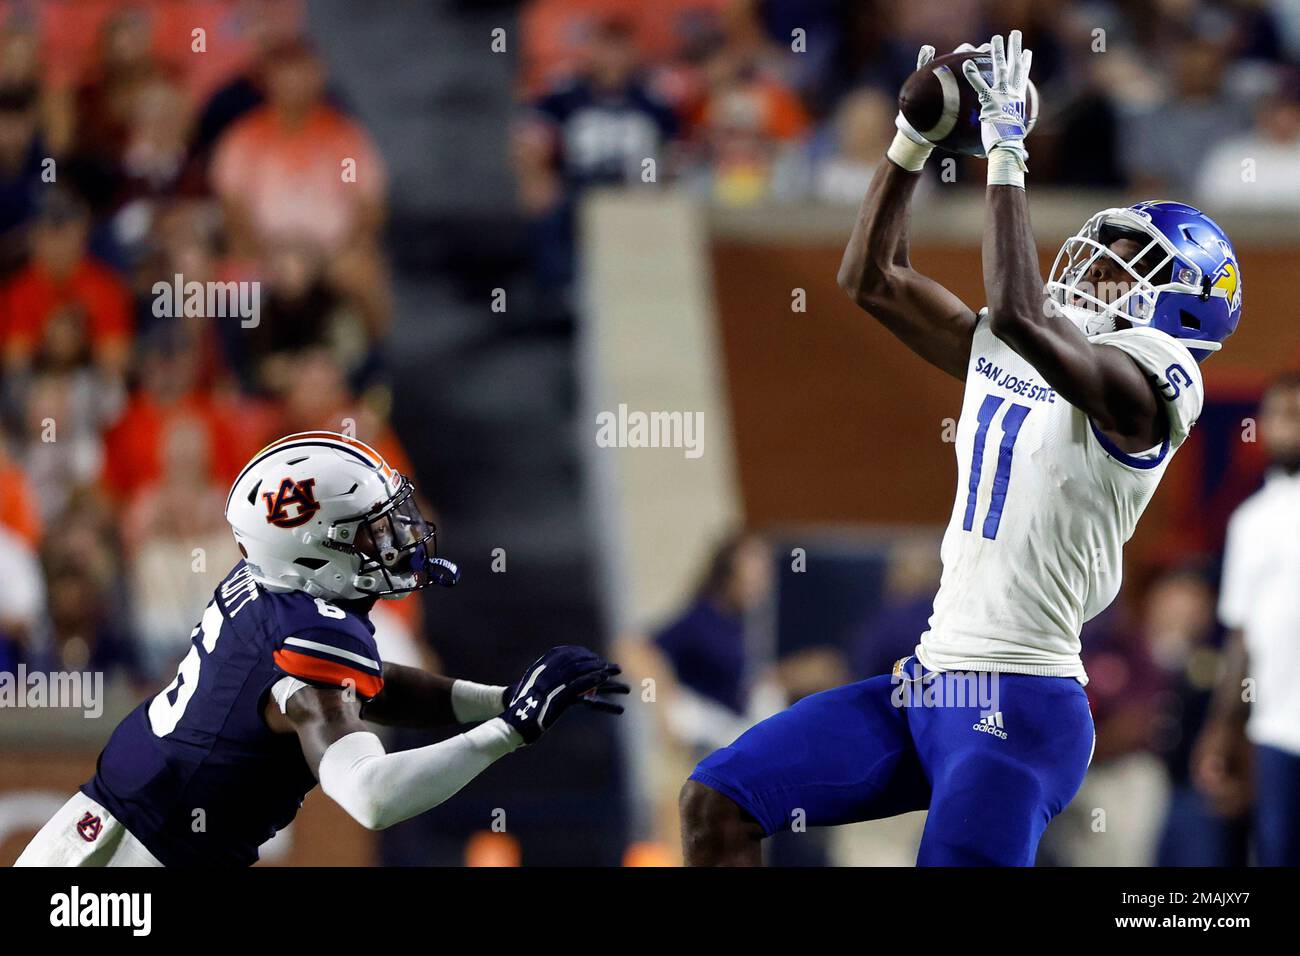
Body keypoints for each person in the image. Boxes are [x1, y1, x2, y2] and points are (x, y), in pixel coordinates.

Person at [680, 32, 1243, 866]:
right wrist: (911, 142)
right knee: (718, 801)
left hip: (1024, 700)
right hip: (930, 682)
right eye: (1106, 256)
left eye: (1129, 270)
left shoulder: (1158, 384)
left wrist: (1007, 144)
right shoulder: (1035, 338)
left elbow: (1019, 312)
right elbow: (869, 278)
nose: (1095, 274)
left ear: (1183, 311)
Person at [15, 432, 626, 866]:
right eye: (372, 529)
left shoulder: (272, 584)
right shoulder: (307, 641)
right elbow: (371, 797)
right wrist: (511, 729)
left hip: (110, 829)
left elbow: (372, 685)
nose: (396, 538)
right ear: (316, 551)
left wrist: (497, 700)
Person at [1194, 372, 1300, 866]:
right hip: (1276, 731)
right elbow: (1241, 636)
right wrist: (1222, 728)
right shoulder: (1252, 521)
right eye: (1281, 415)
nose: (1289, 428)